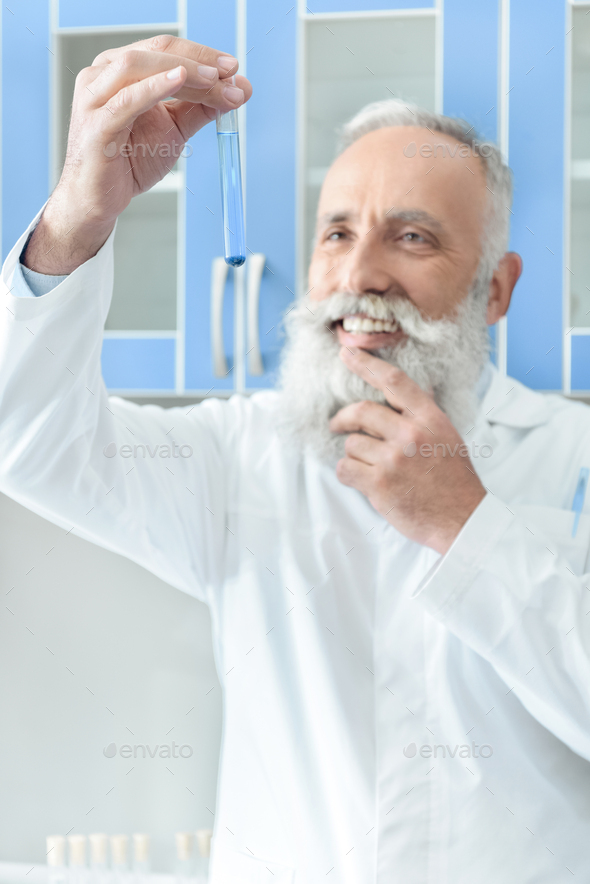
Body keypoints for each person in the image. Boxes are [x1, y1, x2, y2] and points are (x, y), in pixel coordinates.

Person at [1, 35, 590, 884]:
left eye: (413, 237)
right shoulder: (242, 456)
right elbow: (26, 438)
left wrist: (466, 525)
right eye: (337, 231)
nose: (360, 274)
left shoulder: (571, 458)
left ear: (494, 289)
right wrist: (77, 215)